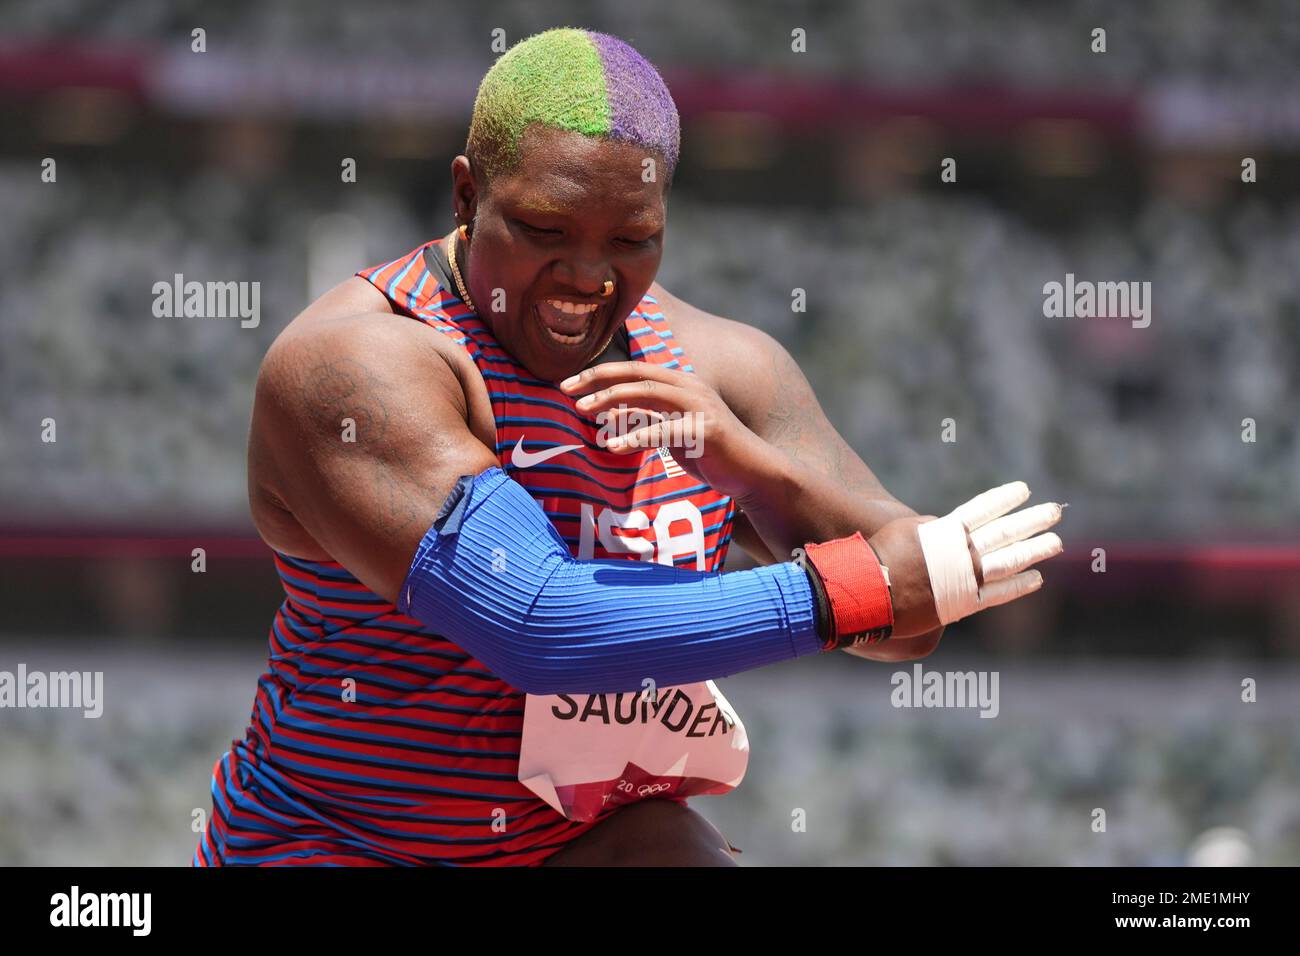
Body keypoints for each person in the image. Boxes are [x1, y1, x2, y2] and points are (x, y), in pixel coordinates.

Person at [194, 27, 1061, 867]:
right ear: (465, 196)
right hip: (336, 842)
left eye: (630, 239)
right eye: (544, 229)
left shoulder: (726, 367)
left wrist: (751, 472)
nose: (585, 276)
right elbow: (538, 624)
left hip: (575, 843)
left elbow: (903, 624)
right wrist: (850, 590)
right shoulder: (355, 365)